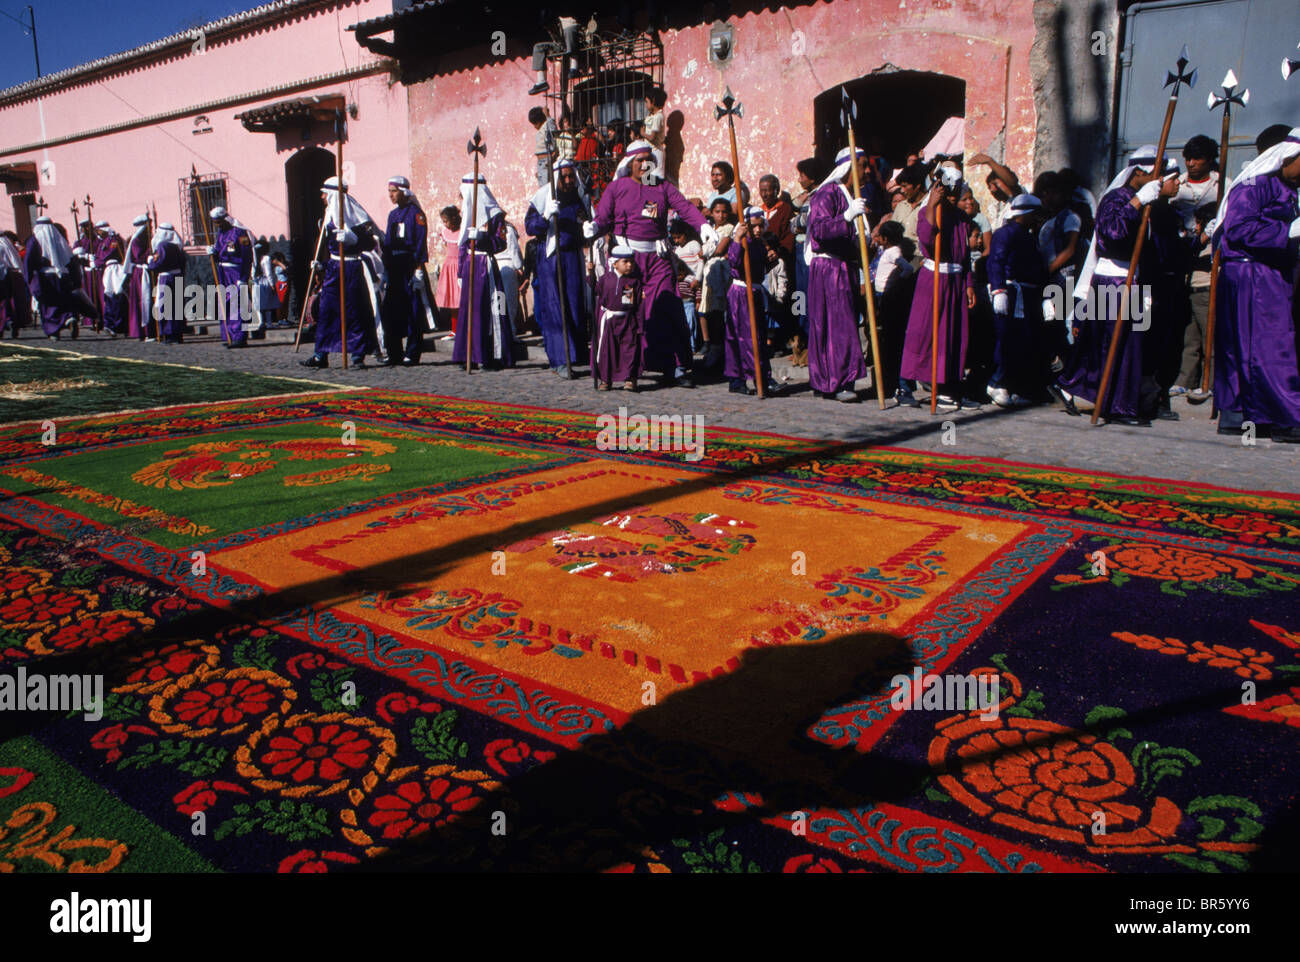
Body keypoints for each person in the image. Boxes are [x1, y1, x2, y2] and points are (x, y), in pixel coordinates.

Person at [584, 140, 719, 387]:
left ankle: (676, 366)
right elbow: (603, 217)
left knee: (669, 304)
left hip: (657, 258)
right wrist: (593, 226)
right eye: (639, 160)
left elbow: (685, 207)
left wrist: (703, 225)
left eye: (649, 160)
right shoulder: (617, 188)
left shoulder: (662, 187)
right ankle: (621, 367)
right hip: (628, 260)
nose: (645, 165)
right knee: (627, 312)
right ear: (629, 163)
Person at [1055, 146, 1171, 424]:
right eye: (1157, 172)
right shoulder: (1116, 199)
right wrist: (1137, 203)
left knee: (1125, 344)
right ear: (1140, 172)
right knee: (1111, 343)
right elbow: (1111, 234)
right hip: (1113, 280)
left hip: (1132, 279)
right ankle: (1113, 403)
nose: (1161, 179)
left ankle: (1113, 400)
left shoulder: (1145, 202)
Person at [1211, 127, 1300, 442]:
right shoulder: (1253, 185)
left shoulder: (1287, 188)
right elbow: (1238, 228)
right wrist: (1287, 232)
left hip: (1271, 273)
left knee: (1251, 346)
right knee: (1269, 344)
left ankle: (1250, 414)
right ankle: (1285, 415)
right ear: (1288, 156)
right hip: (1252, 274)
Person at [899, 161, 979, 409]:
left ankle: (949, 386)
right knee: (923, 333)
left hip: (955, 281)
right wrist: (933, 202)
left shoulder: (960, 219)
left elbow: (964, 256)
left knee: (953, 335)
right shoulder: (929, 212)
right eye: (950, 192)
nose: (954, 197)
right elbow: (927, 238)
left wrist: (968, 284)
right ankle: (904, 385)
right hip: (933, 281)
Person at [805, 146, 871, 402]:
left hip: (845, 266)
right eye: (862, 165)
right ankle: (836, 380)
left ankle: (836, 378)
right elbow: (819, 230)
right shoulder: (827, 194)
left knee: (842, 322)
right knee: (834, 324)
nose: (866, 172)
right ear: (847, 167)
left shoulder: (851, 195)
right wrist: (846, 216)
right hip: (829, 268)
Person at [300, 177, 383, 369]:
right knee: (327, 310)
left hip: (352, 267)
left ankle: (357, 356)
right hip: (334, 268)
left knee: (355, 312)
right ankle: (320, 355)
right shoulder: (327, 216)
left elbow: (371, 243)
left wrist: (353, 239)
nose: (322, 197)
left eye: (325, 194)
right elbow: (322, 243)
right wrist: (320, 263)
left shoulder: (358, 219)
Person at [526, 157, 591, 377]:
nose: (568, 180)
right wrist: (545, 217)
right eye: (564, 176)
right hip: (552, 257)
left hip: (573, 256)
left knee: (574, 304)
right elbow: (530, 227)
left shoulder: (576, 197)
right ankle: (560, 358)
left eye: (571, 175)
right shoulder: (543, 197)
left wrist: (588, 227)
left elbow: (585, 219)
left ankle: (576, 355)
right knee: (555, 306)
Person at [986, 193, 1048, 406]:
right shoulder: (1005, 233)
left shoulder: (1027, 235)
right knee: (1006, 339)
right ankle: (997, 382)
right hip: (1010, 292)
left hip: (1026, 295)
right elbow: (996, 261)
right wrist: (998, 289)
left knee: (1022, 342)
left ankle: (1013, 385)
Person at [453, 170, 514, 369]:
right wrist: (461, 270)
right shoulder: (467, 215)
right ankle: (468, 354)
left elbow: (501, 242)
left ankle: (489, 354)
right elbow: (462, 245)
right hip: (470, 265)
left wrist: (483, 239)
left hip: (485, 266)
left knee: (491, 310)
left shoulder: (494, 215)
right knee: (469, 311)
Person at [722, 207, 774, 395]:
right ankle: (741, 379)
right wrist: (737, 239)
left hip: (756, 292)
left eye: (761, 226)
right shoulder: (742, 242)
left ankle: (761, 376)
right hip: (741, 294)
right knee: (742, 336)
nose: (758, 230)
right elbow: (734, 262)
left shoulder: (760, 244)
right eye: (754, 226)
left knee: (758, 336)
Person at [381, 175, 429, 366]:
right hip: (394, 266)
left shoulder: (416, 214)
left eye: (394, 191)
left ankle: (413, 351)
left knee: (413, 310)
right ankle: (394, 351)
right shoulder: (392, 215)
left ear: (404, 192)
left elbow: (420, 241)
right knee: (392, 310)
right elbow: (387, 242)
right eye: (389, 192)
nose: (391, 195)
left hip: (410, 264)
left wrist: (418, 268)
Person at [24, 217, 99, 338]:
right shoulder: (60, 239)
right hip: (63, 276)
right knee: (64, 301)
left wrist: (28, 277)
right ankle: (69, 319)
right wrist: (75, 279)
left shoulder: (35, 240)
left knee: (49, 304)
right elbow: (70, 259)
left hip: (45, 277)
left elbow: (29, 260)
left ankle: (54, 331)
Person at [593, 244, 642, 391]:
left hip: (627, 320)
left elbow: (633, 303)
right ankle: (606, 379)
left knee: (628, 349)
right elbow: (596, 291)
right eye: (625, 262)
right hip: (609, 321)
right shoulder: (605, 279)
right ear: (615, 263)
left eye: (631, 262)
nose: (629, 265)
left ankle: (629, 379)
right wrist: (590, 274)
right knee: (607, 351)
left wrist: (638, 323)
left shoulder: (633, 282)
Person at [205, 207, 255, 348]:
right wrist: (213, 253)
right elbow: (220, 251)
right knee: (224, 303)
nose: (217, 225)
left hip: (236, 272)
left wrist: (244, 276)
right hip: (223, 271)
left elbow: (247, 256)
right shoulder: (221, 233)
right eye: (215, 222)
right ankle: (228, 335)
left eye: (219, 222)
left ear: (225, 219)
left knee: (238, 304)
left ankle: (239, 337)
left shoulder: (240, 233)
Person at [146, 222, 187, 344]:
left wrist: (151, 263)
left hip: (166, 278)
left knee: (165, 306)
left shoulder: (162, 246)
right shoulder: (177, 247)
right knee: (177, 307)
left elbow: (159, 263)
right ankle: (178, 334)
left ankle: (168, 334)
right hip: (178, 276)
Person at [121, 215, 153, 340]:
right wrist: (151, 251)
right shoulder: (137, 241)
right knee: (143, 301)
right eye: (148, 225)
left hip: (148, 271)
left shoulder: (149, 238)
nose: (150, 228)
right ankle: (143, 331)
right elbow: (139, 257)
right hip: (141, 274)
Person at [435, 206, 462, 333]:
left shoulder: (463, 231)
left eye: (446, 221)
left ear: (454, 218)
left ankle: (464, 327)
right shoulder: (445, 232)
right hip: (449, 266)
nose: (445, 224)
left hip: (461, 266)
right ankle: (454, 328)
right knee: (453, 298)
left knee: (462, 298)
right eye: (443, 221)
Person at [0, 231, 31, 337]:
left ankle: (6, 323)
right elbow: (16, 262)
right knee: (9, 301)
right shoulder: (7, 245)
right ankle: (11, 321)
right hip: (10, 276)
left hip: (5, 277)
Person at [530, 106, 559, 189]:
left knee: (546, 188)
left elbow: (553, 129)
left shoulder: (547, 125)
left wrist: (547, 115)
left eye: (535, 123)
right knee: (542, 187)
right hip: (541, 163)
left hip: (546, 161)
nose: (534, 126)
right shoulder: (540, 131)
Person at [643, 87, 668, 179]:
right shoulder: (651, 116)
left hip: (656, 152)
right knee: (647, 178)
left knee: (656, 178)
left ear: (653, 101)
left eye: (646, 102)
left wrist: (642, 133)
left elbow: (652, 137)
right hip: (649, 152)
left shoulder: (658, 117)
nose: (645, 105)